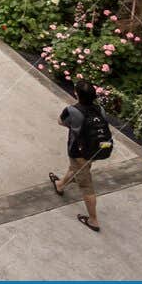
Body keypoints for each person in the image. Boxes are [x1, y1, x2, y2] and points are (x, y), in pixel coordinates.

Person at [50, 80, 113, 233]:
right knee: (77, 169)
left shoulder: (71, 110)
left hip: (78, 152)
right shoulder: (100, 109)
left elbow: (60, 121)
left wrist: (75, 127)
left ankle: (93, 220)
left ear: (76, 94)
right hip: (96, 150)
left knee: (86, 185)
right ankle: (60, 185)